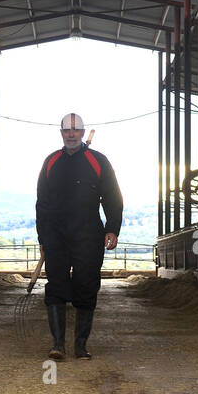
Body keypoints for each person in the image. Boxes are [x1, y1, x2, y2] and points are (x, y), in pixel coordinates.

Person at [35, 113, 124, 360]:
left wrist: (112, 228)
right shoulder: (51, 161)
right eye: (67, 131)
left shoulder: (98, 161)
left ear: (83, 133)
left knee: (86, 285)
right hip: (56, 233)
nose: (71, 135)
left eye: (75, 131)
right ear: (61, 133)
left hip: (88, 233)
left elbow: (113, 197)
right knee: (56, 286)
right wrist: (43, 236)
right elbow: (41, 202)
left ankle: (81, 345)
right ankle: (58, 344)